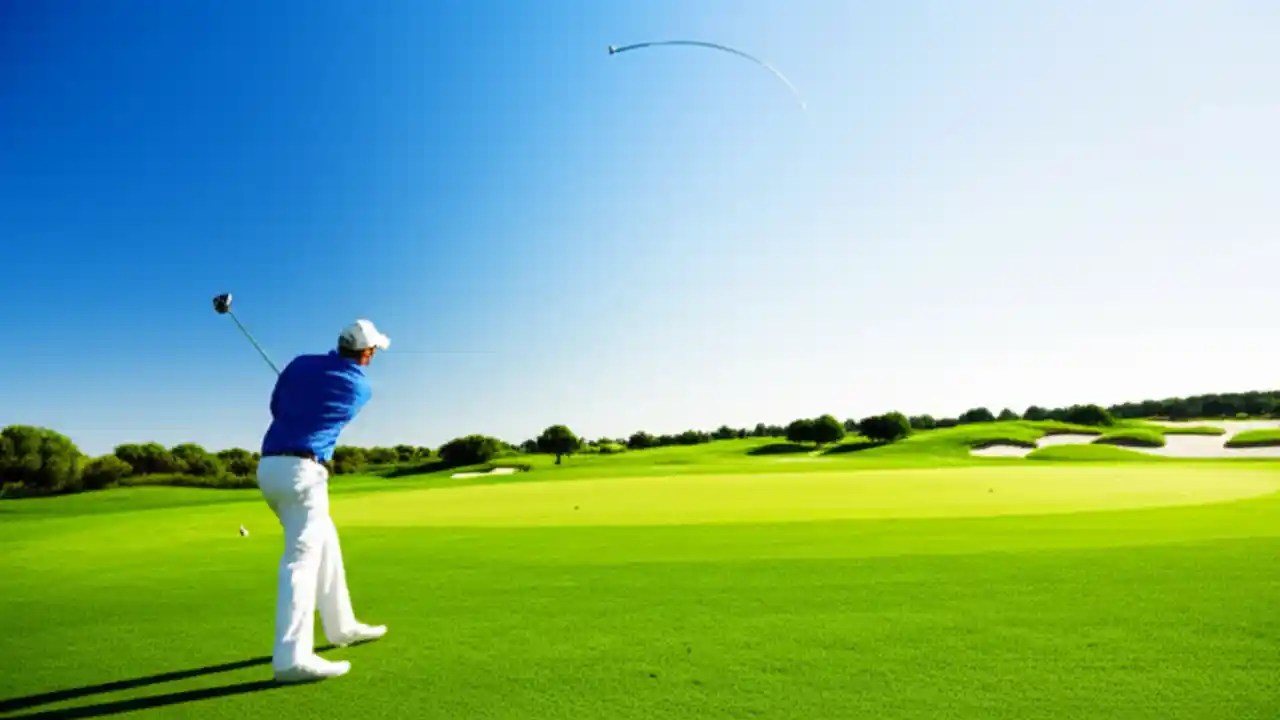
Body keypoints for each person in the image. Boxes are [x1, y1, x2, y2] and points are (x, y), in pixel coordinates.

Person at [256, 318, 391, 682]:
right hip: (302, 472)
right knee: (301, 561)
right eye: (374, 350)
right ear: (366, 353)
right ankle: (291, 658)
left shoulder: (300, 364)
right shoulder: (359, 387)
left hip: (270, 467)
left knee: (325, 542)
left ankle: (341, 625)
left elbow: (277, 407)